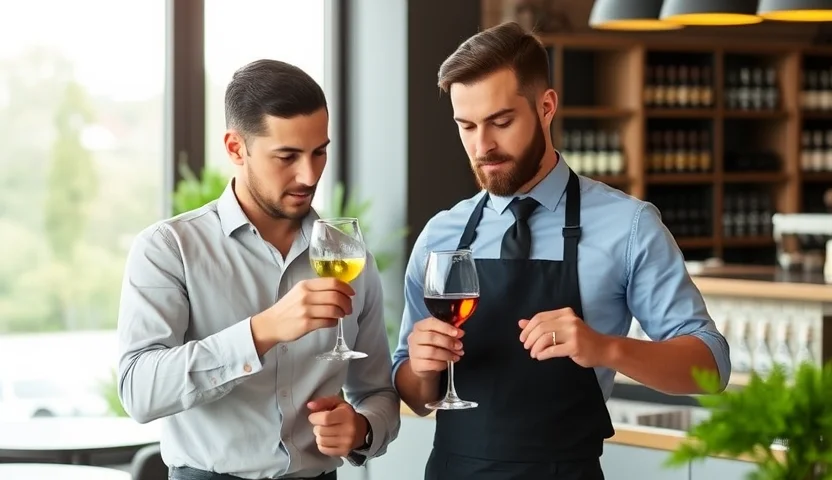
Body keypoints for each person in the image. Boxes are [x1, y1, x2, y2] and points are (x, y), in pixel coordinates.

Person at [392, 22, 731, 480]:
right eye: (466, 126)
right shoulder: (441, 234)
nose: (482, 146)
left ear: (546, 106)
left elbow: (711, 365)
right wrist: (419, 365)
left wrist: (605, 348)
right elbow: (414, 393)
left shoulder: (628, 226)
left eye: (501, 121)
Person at [117, 59, 400, 480]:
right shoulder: (169, 248)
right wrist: (262, 331)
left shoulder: (349, 257)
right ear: (236, 148)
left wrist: (361, 429)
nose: (309, 174)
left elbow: (377, 391)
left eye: (319, 152)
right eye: (287, 156)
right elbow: (140, 391)